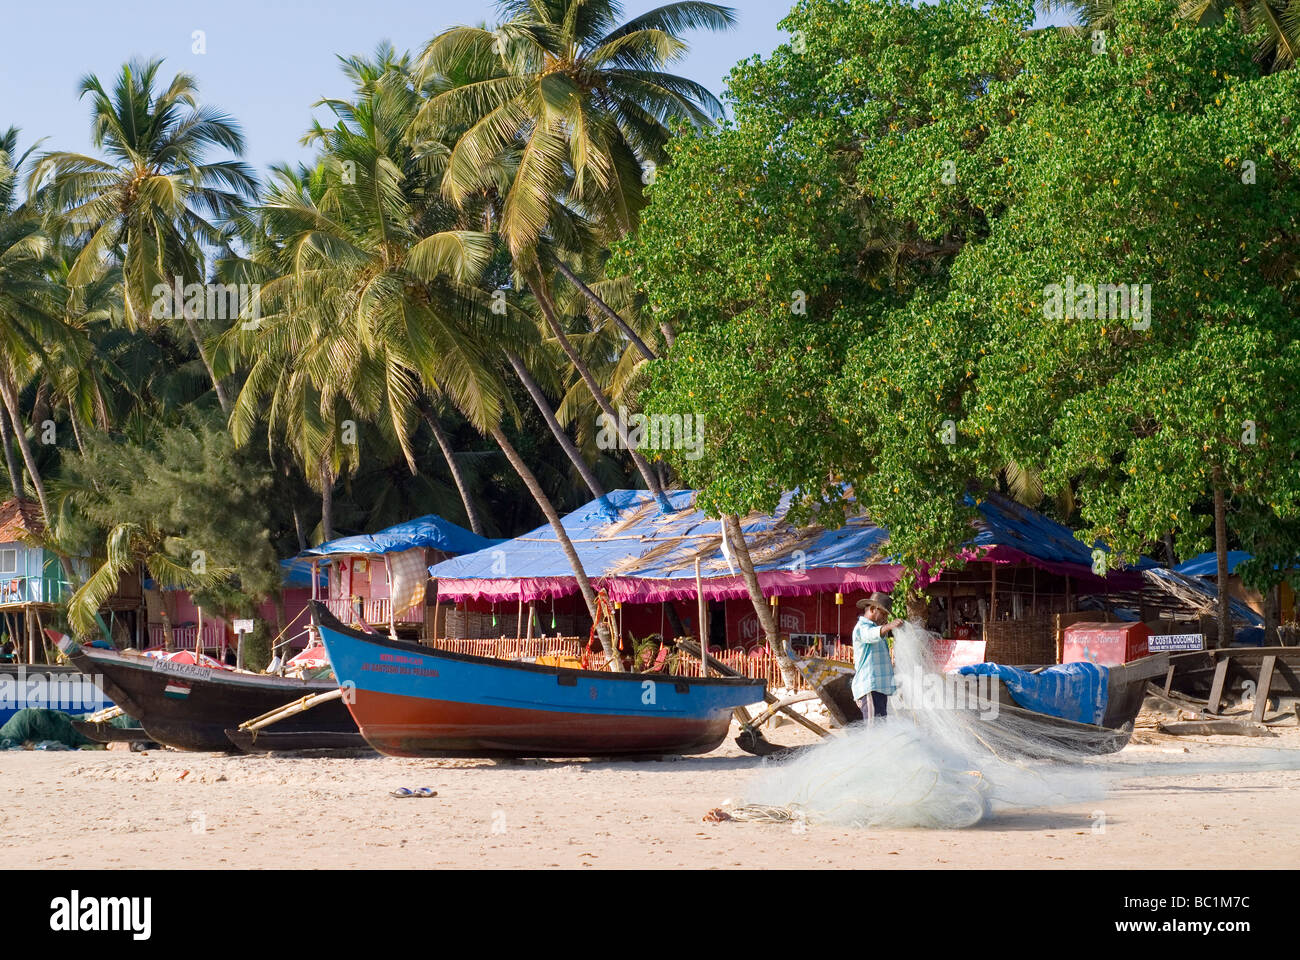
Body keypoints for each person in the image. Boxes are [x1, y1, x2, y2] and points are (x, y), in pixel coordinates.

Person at [851, 592, 903, 723]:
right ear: (873, 609)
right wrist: (889, 626)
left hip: (880, 688)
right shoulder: (862, 628)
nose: (885, 618)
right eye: (884, 614)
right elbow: (870, 634)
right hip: (870, 687)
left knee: (881, 729)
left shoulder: (878, 630)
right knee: (873, 731)